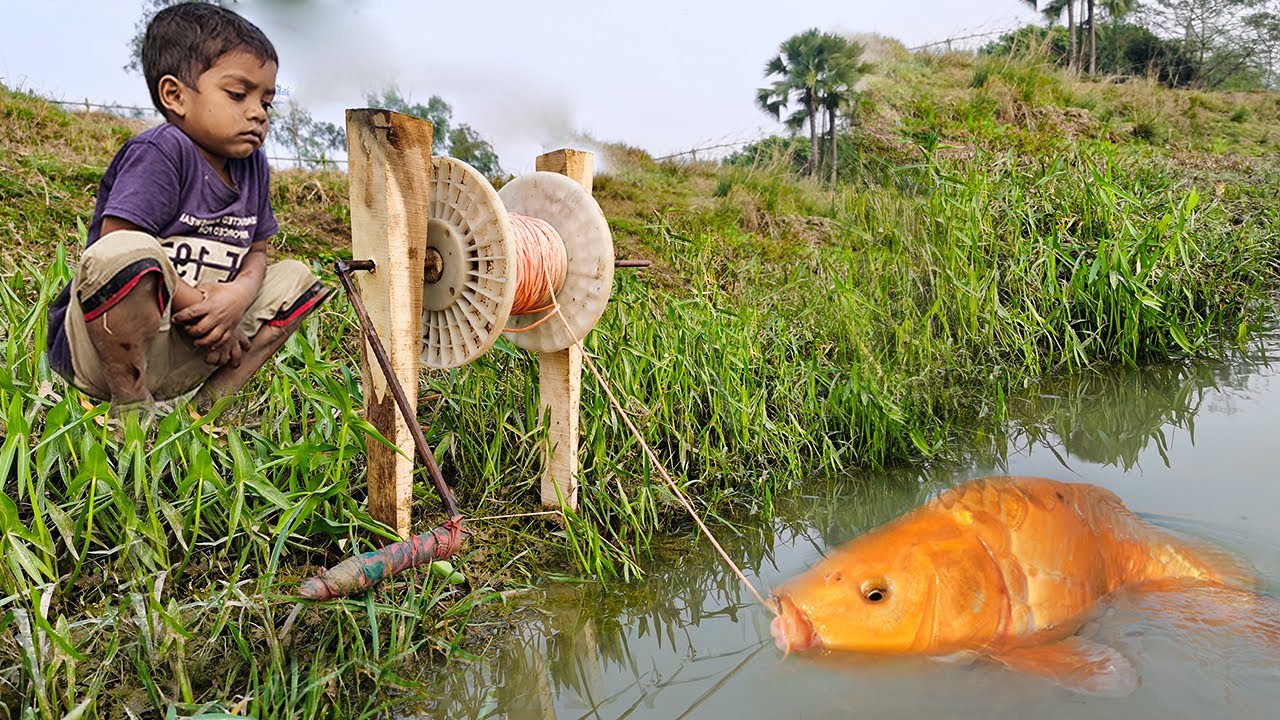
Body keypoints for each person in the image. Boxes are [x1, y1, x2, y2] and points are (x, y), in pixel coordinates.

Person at [46, 2, 329, 410]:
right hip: (106, 351)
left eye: (266, 102)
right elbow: (116, 243)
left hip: (197, 345)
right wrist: (208, 311)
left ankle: (204, 411)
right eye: (238, 94)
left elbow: (258, 252)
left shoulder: (253, 166)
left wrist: (236, 298)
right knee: (128, 253)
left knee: (297, 280)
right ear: (175, 95)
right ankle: (130, 405)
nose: (258, 114)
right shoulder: (162, 151)